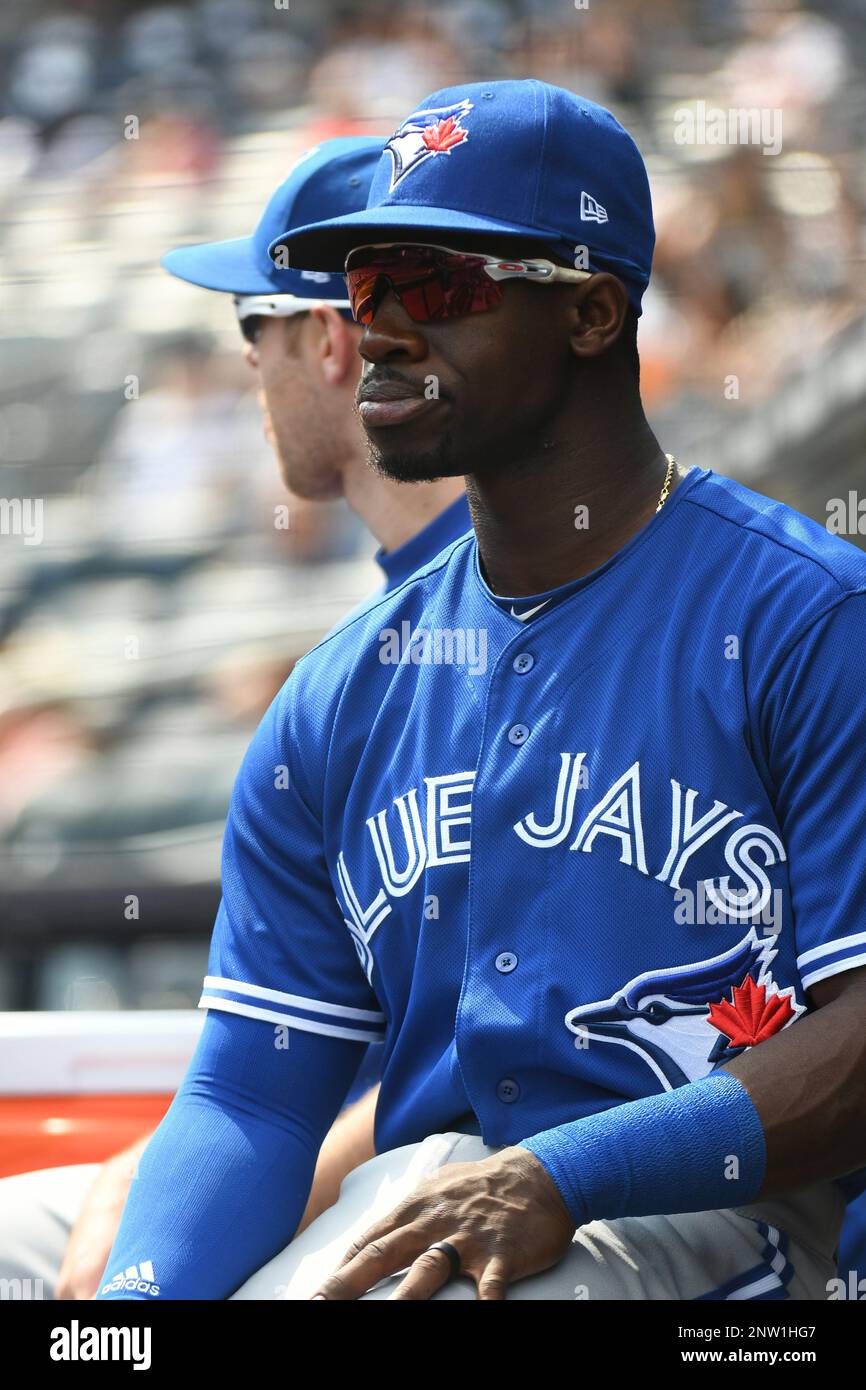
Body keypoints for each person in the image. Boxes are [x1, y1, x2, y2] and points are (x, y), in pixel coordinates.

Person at [95, 81, 866, 1302]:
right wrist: (133, 1315)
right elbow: (251, 1087)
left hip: (717, 1205)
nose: (385, 330)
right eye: (364, 287)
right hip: (431, 1200)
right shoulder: (342, 692)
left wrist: (566, 1174)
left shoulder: (807, 618)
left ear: (591, 311)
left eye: (441, 284)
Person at [0, 137, 470, 1303]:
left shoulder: (515, 618)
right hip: (325, 1139)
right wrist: (164, 1169)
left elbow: (507, 1053)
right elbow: (267, 1070)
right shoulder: (384, 628)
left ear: (328, 342)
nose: (245, 369)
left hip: (454, 1170)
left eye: (247, 330)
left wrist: (200, 1201)